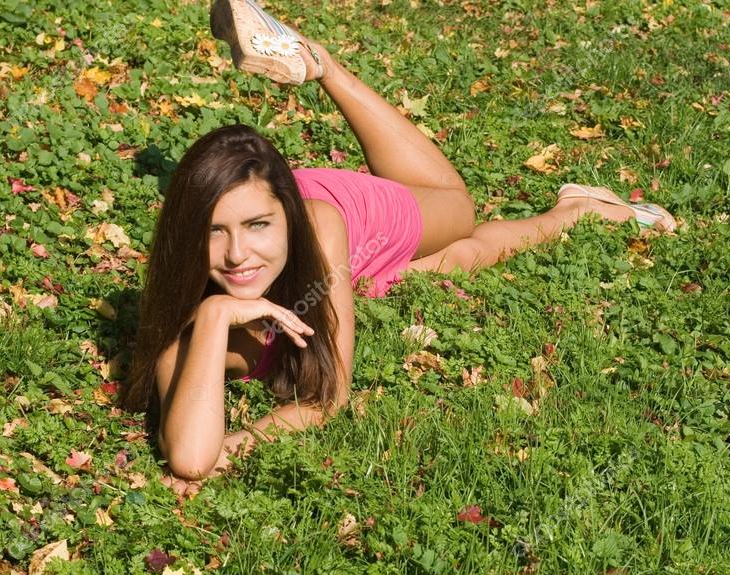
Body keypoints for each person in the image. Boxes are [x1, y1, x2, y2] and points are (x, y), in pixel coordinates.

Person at [123, 0, 676, 483]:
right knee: (459, 259)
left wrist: (236, 446)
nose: (238, 254)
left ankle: (323, 66)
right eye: (214, 232)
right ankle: (576, 207)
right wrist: (219, 315)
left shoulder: (318, 225)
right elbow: (192, 458)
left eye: (257, 226)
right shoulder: (190, 311)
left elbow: (326, 397)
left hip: (353, 223)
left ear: (285, 216)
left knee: (458, 212)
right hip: (317, 273)